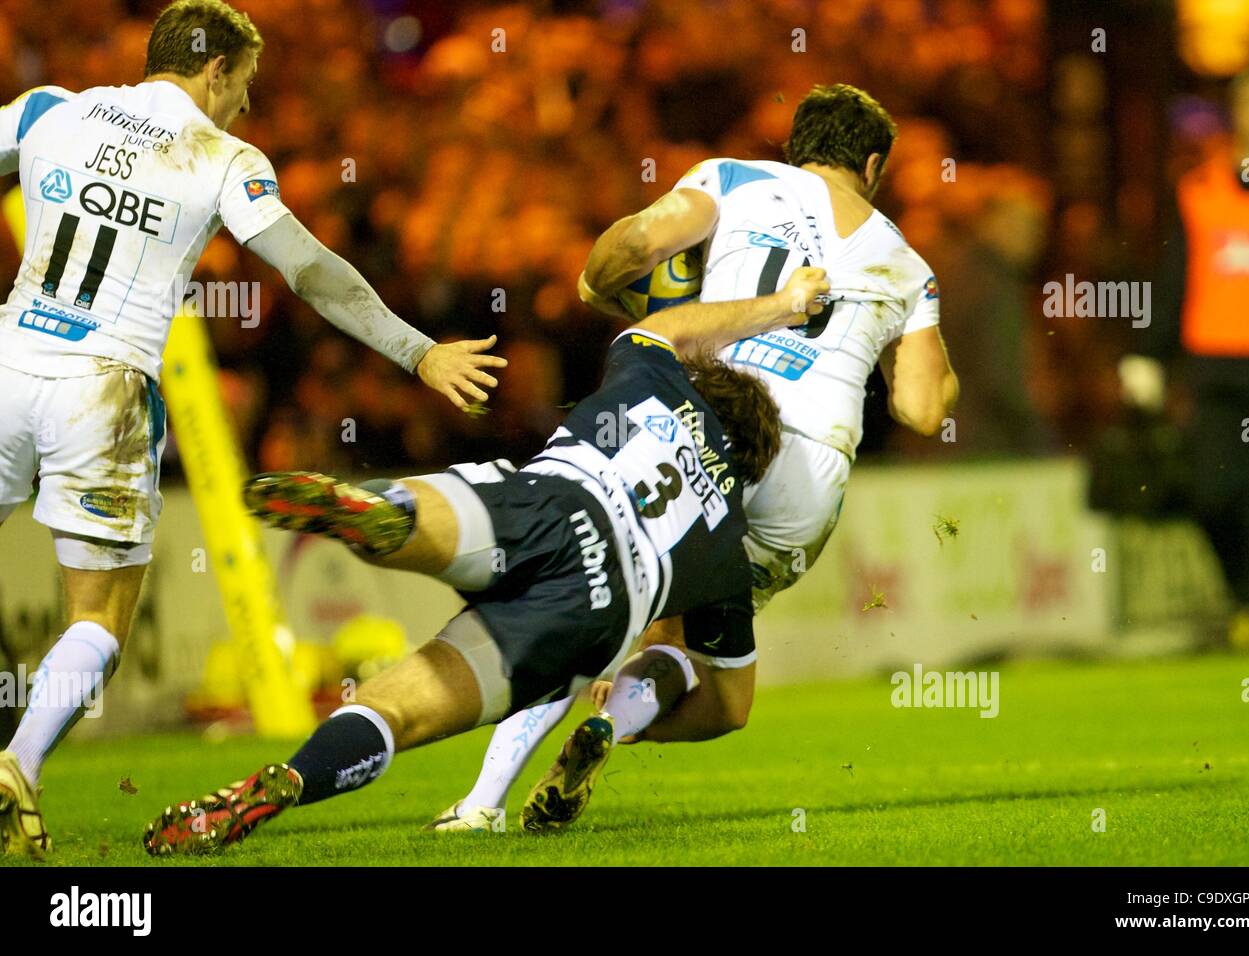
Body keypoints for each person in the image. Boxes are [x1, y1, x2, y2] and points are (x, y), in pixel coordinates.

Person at [0, 0, 505, 857]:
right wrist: (418, 353)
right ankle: (17, 764)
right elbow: (310, 270)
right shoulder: (222, 155)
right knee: (100, 615)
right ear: (216, 71)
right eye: (246, 87)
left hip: (10, 358)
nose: (246, 106)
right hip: (105, 387)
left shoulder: (50, 108)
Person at [141, 267, 828, 855]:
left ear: (703, 389)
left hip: (556, 502)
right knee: (398, 712)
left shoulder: (655, 380)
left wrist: (782, 305)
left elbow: (669, 326)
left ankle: (382, 515)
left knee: (429, 515)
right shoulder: (726, 551)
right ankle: (292, 780)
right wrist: (637, 724)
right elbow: (733, 707)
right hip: (597, 609)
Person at [433, 83, 960, 833]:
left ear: (796, 146)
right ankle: (612, 726)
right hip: (806, 469)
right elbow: (920, 408)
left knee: (595, 602)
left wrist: (594, 280)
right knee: (705, 666)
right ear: (874, 165)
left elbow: (641, 242)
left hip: (700, 422)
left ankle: (481, 803)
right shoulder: (908, 265)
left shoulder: (735, 177)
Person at [1123, 64, 1249, 649]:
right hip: (1215, 364)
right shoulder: (1198, 188)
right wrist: (1148, 356)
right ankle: (1248, 592)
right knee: (1211, 490)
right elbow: (1173, 275)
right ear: (1236, 113)